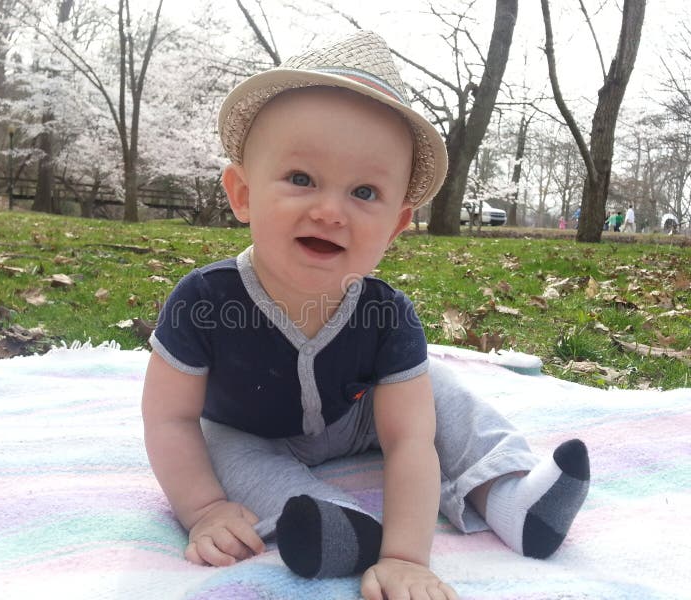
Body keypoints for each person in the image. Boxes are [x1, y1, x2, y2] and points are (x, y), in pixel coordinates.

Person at [142, 32, 589, 600]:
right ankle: (339, 528)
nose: (330, 211)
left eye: (364, 191)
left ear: (396, 227)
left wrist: (408, 557)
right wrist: (203, 509)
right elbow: (170, 420)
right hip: (249, 429)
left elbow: (408, 443)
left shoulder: (387, 316)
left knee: (440, 396)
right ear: (243, 193)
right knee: (223, 450)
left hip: (354, 417)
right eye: (301, 179)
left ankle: (509, 495)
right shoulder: (205, 301)